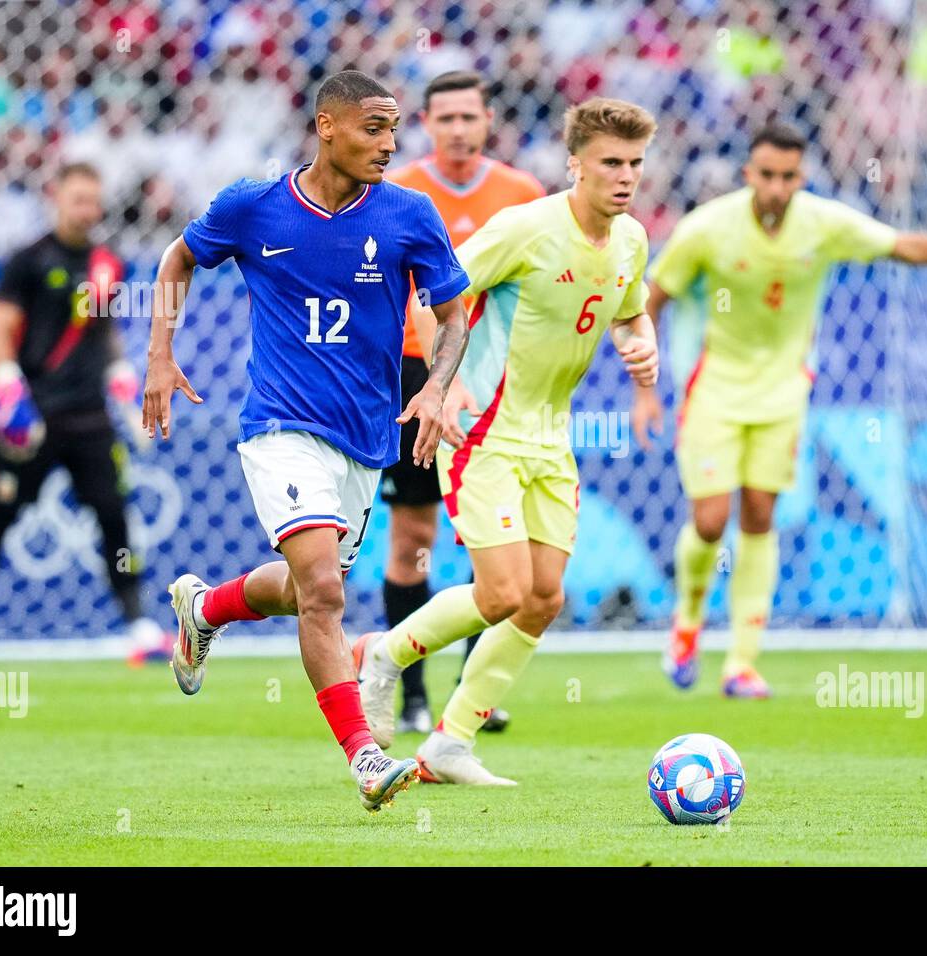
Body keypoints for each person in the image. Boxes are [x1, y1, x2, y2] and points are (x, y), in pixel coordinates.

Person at [635, 123, 927, 698]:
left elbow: (905, 247)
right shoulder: (708, 228)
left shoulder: (823, 223)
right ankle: (686, 627)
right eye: (767, 175)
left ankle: (742, 662)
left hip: (784, 393)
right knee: (711, 521)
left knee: (761, 515)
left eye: (789, 177)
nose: (777, 187)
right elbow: (651, 297)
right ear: (748, 175)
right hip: (711, 388)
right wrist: (644, 387)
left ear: (802, 177)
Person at [141, 71, 471, 814]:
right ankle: (365, 757)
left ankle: (207, 608)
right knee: (326, 590)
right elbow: (177, 257)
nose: (389, 144)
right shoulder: (253, 207)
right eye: (372, 128)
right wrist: (160, 352)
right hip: (280, 427)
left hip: (364, 439)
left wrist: (436, 386)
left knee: (303, 591)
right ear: (327, 126)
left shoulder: (410, 216)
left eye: (393, 130)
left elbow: (454, 317)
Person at [352, 97, 660, 785]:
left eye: (636, 163)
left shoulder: (633, 240)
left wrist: (644, 353)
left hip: (552, 440)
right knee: (501, 595)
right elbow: (431, 294)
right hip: (485, 429)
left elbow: (633, 318)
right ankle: (382, 654)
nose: (626, 176)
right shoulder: (526, 228)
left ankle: (449, 743)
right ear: (576, 163)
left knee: (545, 597)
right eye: (611, 162)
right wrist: (443, 384)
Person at [0, 162, 165, 666]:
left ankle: (138, 627)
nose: (88, 209)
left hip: (89, 419)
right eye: (78, 199)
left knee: (113, 518)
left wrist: (123, 384)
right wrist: (8, 392)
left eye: (93, 200)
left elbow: (103, 333)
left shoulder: (109, 263)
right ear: (56, 199)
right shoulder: (29, 260)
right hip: (32, 417)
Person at [380, 70, 546, 735]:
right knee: (413, 537)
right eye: (444, 117)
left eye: (467, 117)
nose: (456, 129)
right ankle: (411, 693)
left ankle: (471, 691)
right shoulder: (396, 191)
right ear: (425, 122)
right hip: (411, 376)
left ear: (488, 120)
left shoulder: (522, 194)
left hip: (492, 380)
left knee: (498, 542)